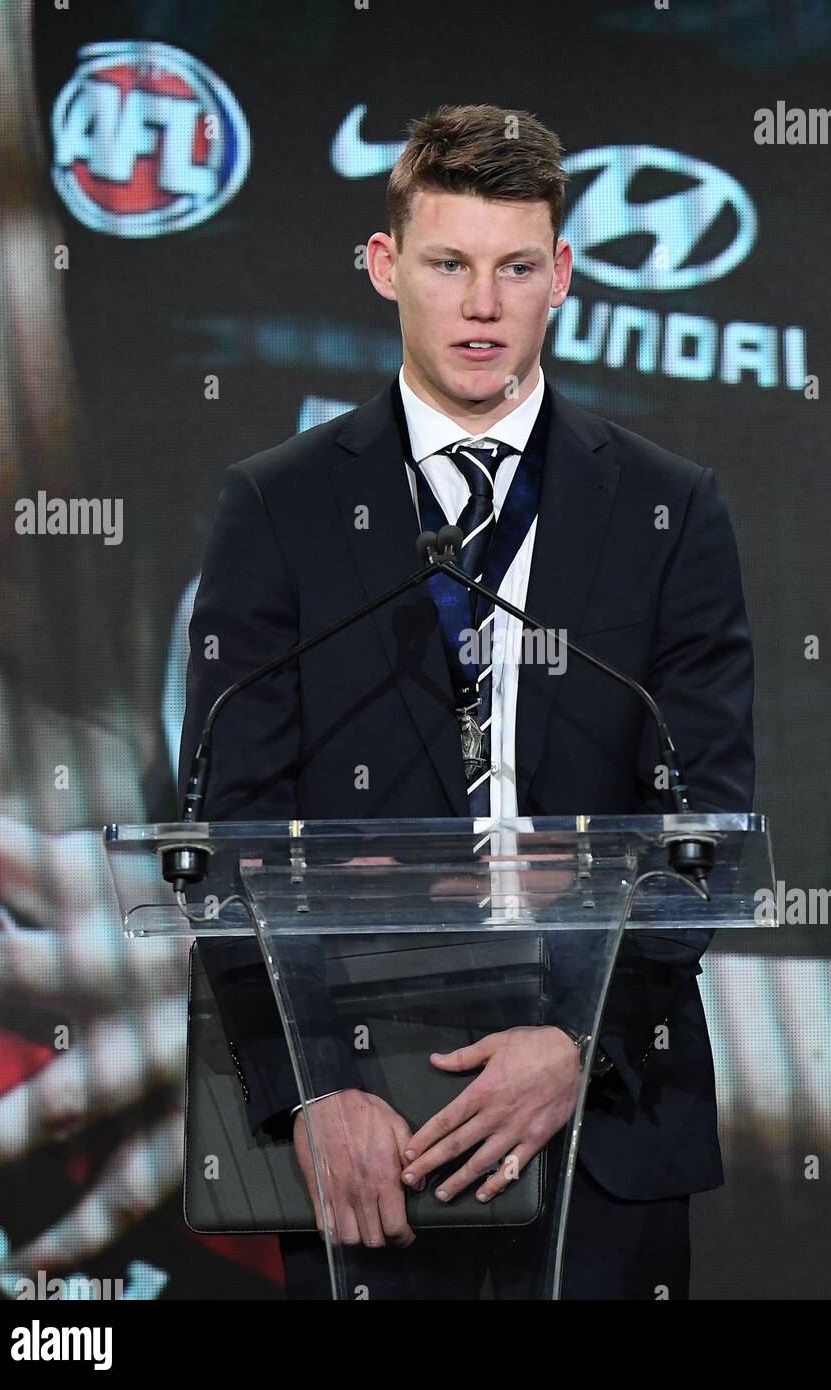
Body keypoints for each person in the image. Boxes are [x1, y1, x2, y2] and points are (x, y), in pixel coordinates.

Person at [178, 103, 754, 1300]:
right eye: (447, 264)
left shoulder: (668, 508)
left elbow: (701, 826)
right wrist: (310, 1090)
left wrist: (577, 1042)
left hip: (605, 1122)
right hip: (367, 1133)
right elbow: (233, 832)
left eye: (514, 268)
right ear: (387, 267)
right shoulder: (277, 507)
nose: (481, 306)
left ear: (562, 276)